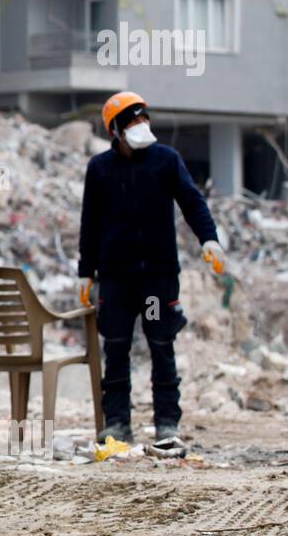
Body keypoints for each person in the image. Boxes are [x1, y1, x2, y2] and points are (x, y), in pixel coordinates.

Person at [79, 91, 225, 445]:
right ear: (115, 129)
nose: (141, 126)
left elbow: (193, 201)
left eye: (144, 118)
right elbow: (90, 223)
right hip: (115, 277)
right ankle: (116, 422)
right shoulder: (99, 168)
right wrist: (86, 270)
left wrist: (209, 239)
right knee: (116, 348)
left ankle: (167, 424)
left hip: (158, 275)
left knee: (162, 346)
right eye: (132, 121)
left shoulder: (166, 160)